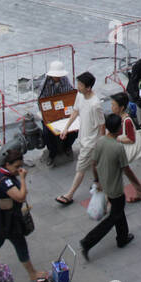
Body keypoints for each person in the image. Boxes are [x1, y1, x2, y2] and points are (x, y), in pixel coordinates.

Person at [0, 146, 43, 282]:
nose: (19, 170)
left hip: (7, 216)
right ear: (7, 164)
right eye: (16, 167)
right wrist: (22, 179)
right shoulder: (5, 179)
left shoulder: (3, 174)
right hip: (5, 219)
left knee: (6, 243)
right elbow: (21, 196)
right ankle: (32, 273)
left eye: (20, 167)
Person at [79, 114, 137, 261]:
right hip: (116, 189)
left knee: (118, 213)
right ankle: (88, 242)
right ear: (118, 129)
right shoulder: (118, 147)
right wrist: (137, 184)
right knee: (113, 217)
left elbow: (94, 164)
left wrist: (97, 180)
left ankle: (122, 238)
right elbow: (126, 169)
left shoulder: (100, 142)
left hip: (104, 184)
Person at [54, 72, 105, 205]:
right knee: (94, 163)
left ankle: (69, 195)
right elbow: (76, 111)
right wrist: (66, 128)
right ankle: (98, 182)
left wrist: (103, 142)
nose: (78, 87)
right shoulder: (80, 95)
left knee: (80, 167)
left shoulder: (96, 104)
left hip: (91, 142)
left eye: (81, 85)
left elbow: (102, 124)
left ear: (88, 88)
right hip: (83, 137)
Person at [36, 60, 77, 166]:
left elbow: (70, 94)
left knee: (74, 129)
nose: (58, 77)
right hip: (50, 115)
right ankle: (52, 153)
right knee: (47, 133)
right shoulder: (44, 85)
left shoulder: (65, 80)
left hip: (65, 112)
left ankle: (68, 146)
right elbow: (41, 102)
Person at [109, 92, 141, 200]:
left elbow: (131, 139)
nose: (111, 107)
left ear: (121, 108)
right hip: (120, 152)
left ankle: (114, 195)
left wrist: (117, 138)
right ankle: (139, 190)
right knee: (126, 171)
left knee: (116, 173)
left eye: (113, 105)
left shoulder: (127, 121)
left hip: (123, 152)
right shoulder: (119, 118)